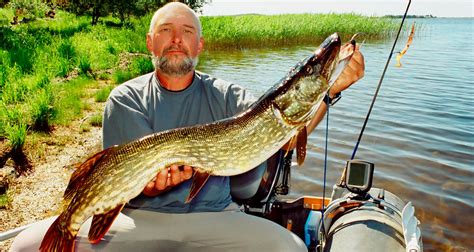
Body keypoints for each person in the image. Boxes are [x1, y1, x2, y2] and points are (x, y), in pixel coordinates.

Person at [10, 2, 364, 251]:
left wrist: (328, 91)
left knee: (288, 248)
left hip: (217, 218)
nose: (176, 39)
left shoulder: (230, 95)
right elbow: (128, 183)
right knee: (25, 246)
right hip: (141, 220)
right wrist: (148, 187)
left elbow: (285, 140)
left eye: (187, 31)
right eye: (166, 30)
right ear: (151, 43)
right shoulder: (125, 97)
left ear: (200, 44)